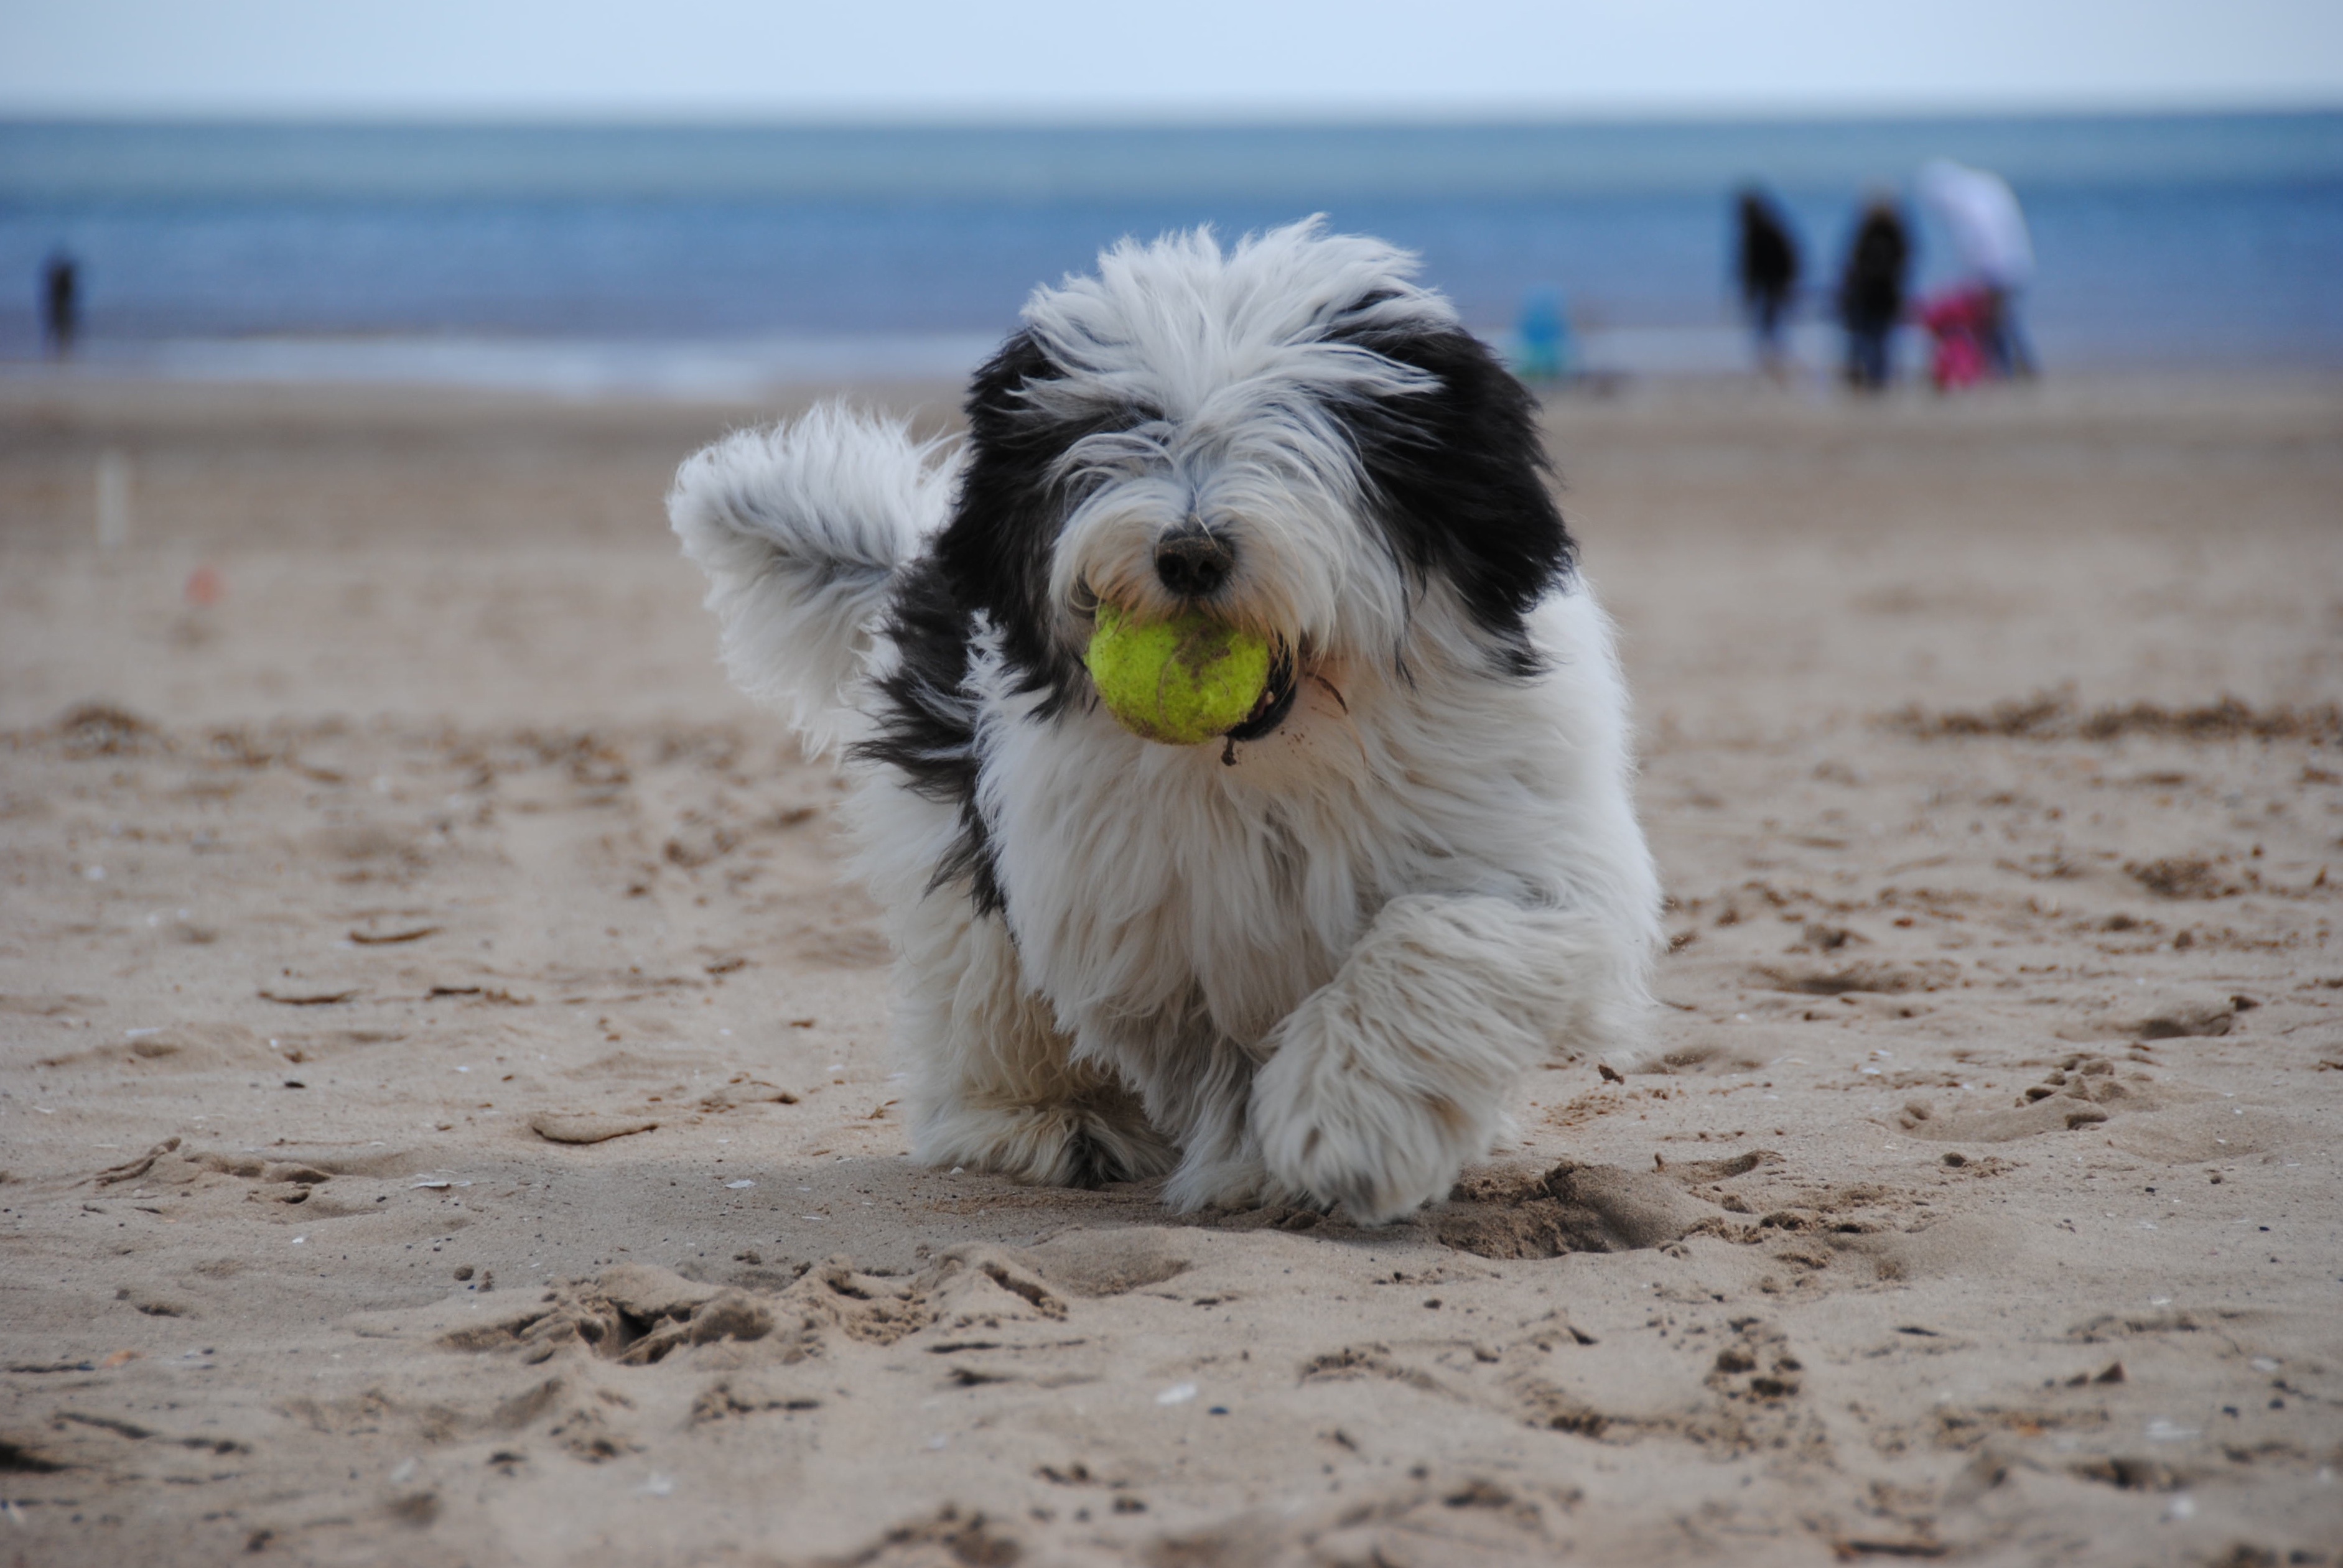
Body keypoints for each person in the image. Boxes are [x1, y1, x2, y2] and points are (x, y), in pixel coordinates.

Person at [1917, 159, 2036, 378]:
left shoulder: (1967, 200)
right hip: (2011, 265)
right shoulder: (1981, 191)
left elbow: (1979, 243)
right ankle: (2016, 368)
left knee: (1996, 322)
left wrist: (1980, 275)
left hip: (1997, 271)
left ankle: (2009, 369)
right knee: (2004, 321)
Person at [1837, 197, 1909, 392]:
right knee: (1874, 339)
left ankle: (1872, 378)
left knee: (1872, 338)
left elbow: (1854, 264)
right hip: (1876, 295)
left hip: (1876, 295)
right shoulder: (1893, 235)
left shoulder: (1876, 234)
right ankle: (1872, 378)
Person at [1733, 187, 1800, 378]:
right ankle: (1770, 359)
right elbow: (1749, 264)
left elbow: (1785, 257)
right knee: (1767, 321)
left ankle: (1773, 359)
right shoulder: (1759, 228)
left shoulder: (1764, 229)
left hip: (1774, 283)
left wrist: (1786, 281)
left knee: (1770, 321)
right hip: (1768, 283)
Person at [42, 251, 80, 359]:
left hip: (61, 306)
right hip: (61, 307)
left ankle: (60, 351)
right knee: (60, 327)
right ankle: (58, 351)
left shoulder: (59, 280)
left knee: (60, 328)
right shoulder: (63, 280)